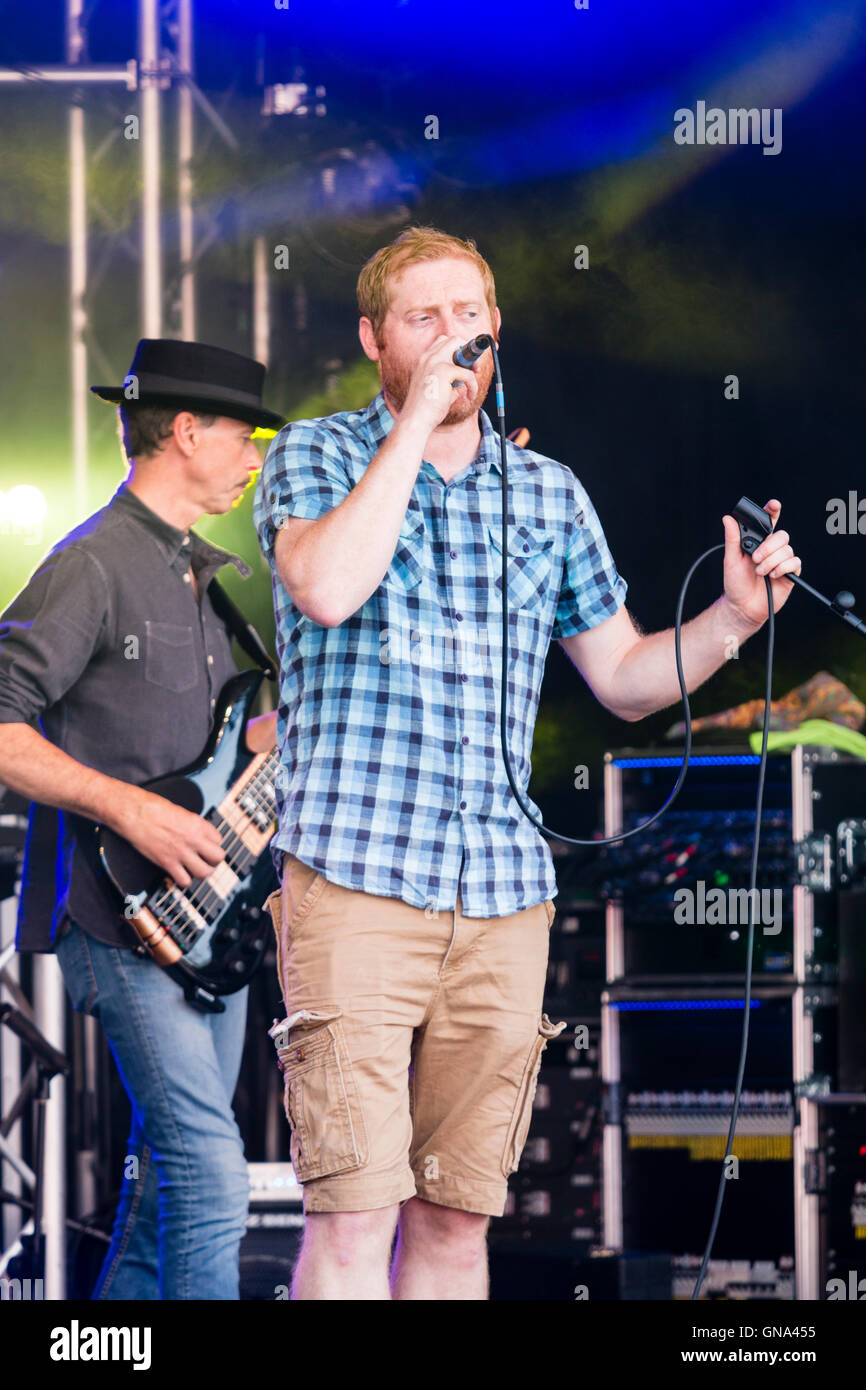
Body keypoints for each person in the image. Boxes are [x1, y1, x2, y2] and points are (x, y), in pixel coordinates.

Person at [253, 226, 801, 1301]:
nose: (454, 338)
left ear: (496, 328)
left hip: (501, 896)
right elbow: (324, 586)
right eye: (424, 318)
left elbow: (626, 676)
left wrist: (731, 621)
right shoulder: (314, 453)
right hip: (355, 881)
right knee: (354, 1215)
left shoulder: (546, 493)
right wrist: (413, 422)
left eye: (470, 316)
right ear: (375, 338)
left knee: (456, 1224)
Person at [0, 338, 282, 1299]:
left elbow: (212, 746)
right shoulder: (90, 562)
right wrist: (130, 810)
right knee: (209, 1175)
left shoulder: (207, 579)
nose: (255, 460)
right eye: (245, 437)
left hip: (213, 918)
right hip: (119, 916)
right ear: (187, 430)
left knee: (168, 1193)